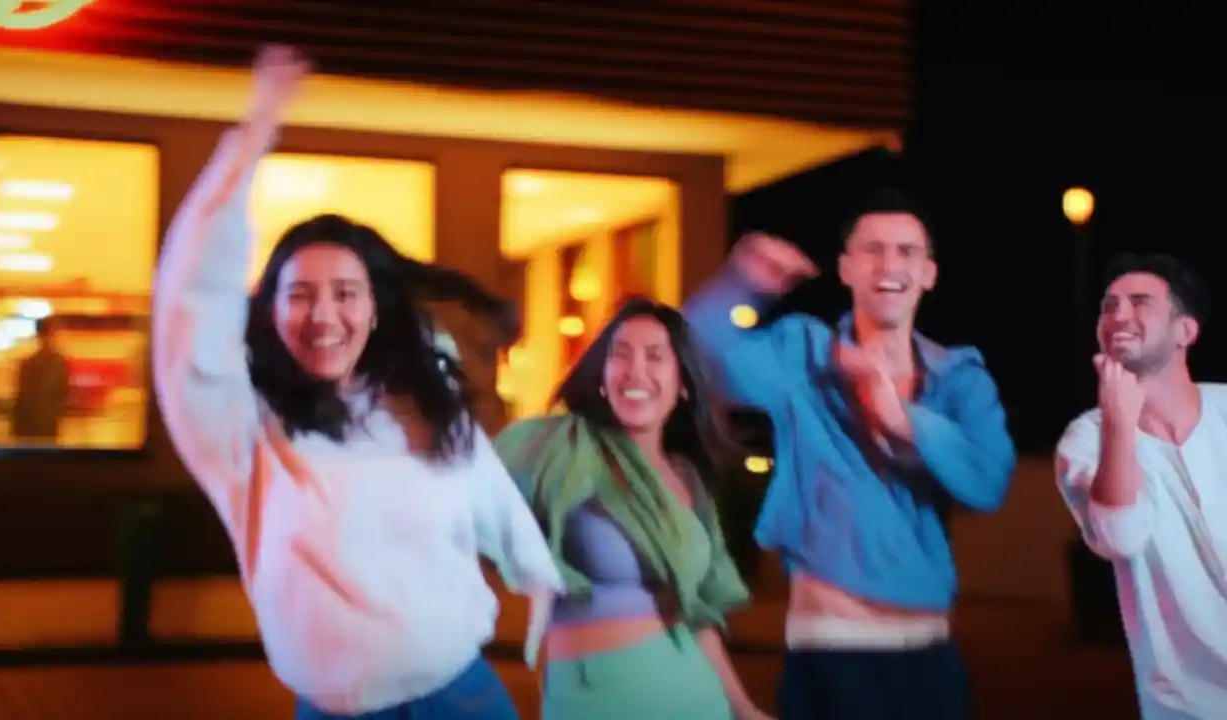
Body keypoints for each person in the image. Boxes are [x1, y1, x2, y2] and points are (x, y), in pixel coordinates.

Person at [152, 45, 563, 720]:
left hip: (463, 696)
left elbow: (488, 491)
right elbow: (189, 302)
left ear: (374, 310)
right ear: (268, 310)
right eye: (300, 294)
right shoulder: (239, 430)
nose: (324, 315)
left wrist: (537, 576)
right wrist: (253, 137)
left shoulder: (422, 406)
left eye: (345, 293)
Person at [683, 188, 1016, 719]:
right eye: (873, 250)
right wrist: (746, 281)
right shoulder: (804, 356)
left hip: (931, 650)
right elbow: (696, 354)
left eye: (907, 251)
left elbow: (988, 481)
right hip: (831, 644)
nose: (890, 265)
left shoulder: (959, 378)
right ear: (846, 269)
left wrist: (901, 419)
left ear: (929, 273)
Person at [495, 298, 771, 720]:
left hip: (695, 696)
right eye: (620, 355)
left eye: (655, 356)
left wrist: (745, 709)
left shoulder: (687, 477)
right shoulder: (559, 448)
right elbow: (465, 491)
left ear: (683, 383)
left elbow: (698, 614)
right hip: (596, 699)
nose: (635, 371)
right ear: (601, 377)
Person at [1055, 253, 1226, 720]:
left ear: (1185, 331)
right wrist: (1119, 424)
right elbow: (1119, 537)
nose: (1118, 315)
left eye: (1139, 302)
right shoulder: (1085, 439)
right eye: (1109, 306)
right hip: (1188, 705)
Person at [11, 315, 70, 444]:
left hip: (28, 427)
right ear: (52, 334)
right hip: (47, 425)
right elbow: (61, 394)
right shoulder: (58, 363)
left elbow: (21, 398)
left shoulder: (27, 364)